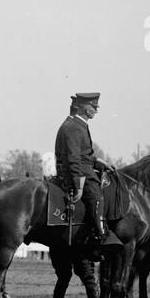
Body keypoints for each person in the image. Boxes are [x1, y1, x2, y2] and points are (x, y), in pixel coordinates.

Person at [55, 92, 111, 245]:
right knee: (97, 197)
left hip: (84, 169)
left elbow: (82, 154)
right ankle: (102, 236)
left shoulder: (78, 125)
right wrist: (78, 185)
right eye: (94, 107)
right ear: (85, 108)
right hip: (80, 173)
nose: (96, 110)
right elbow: (73, 158)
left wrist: (96, 160)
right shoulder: (74, 127)